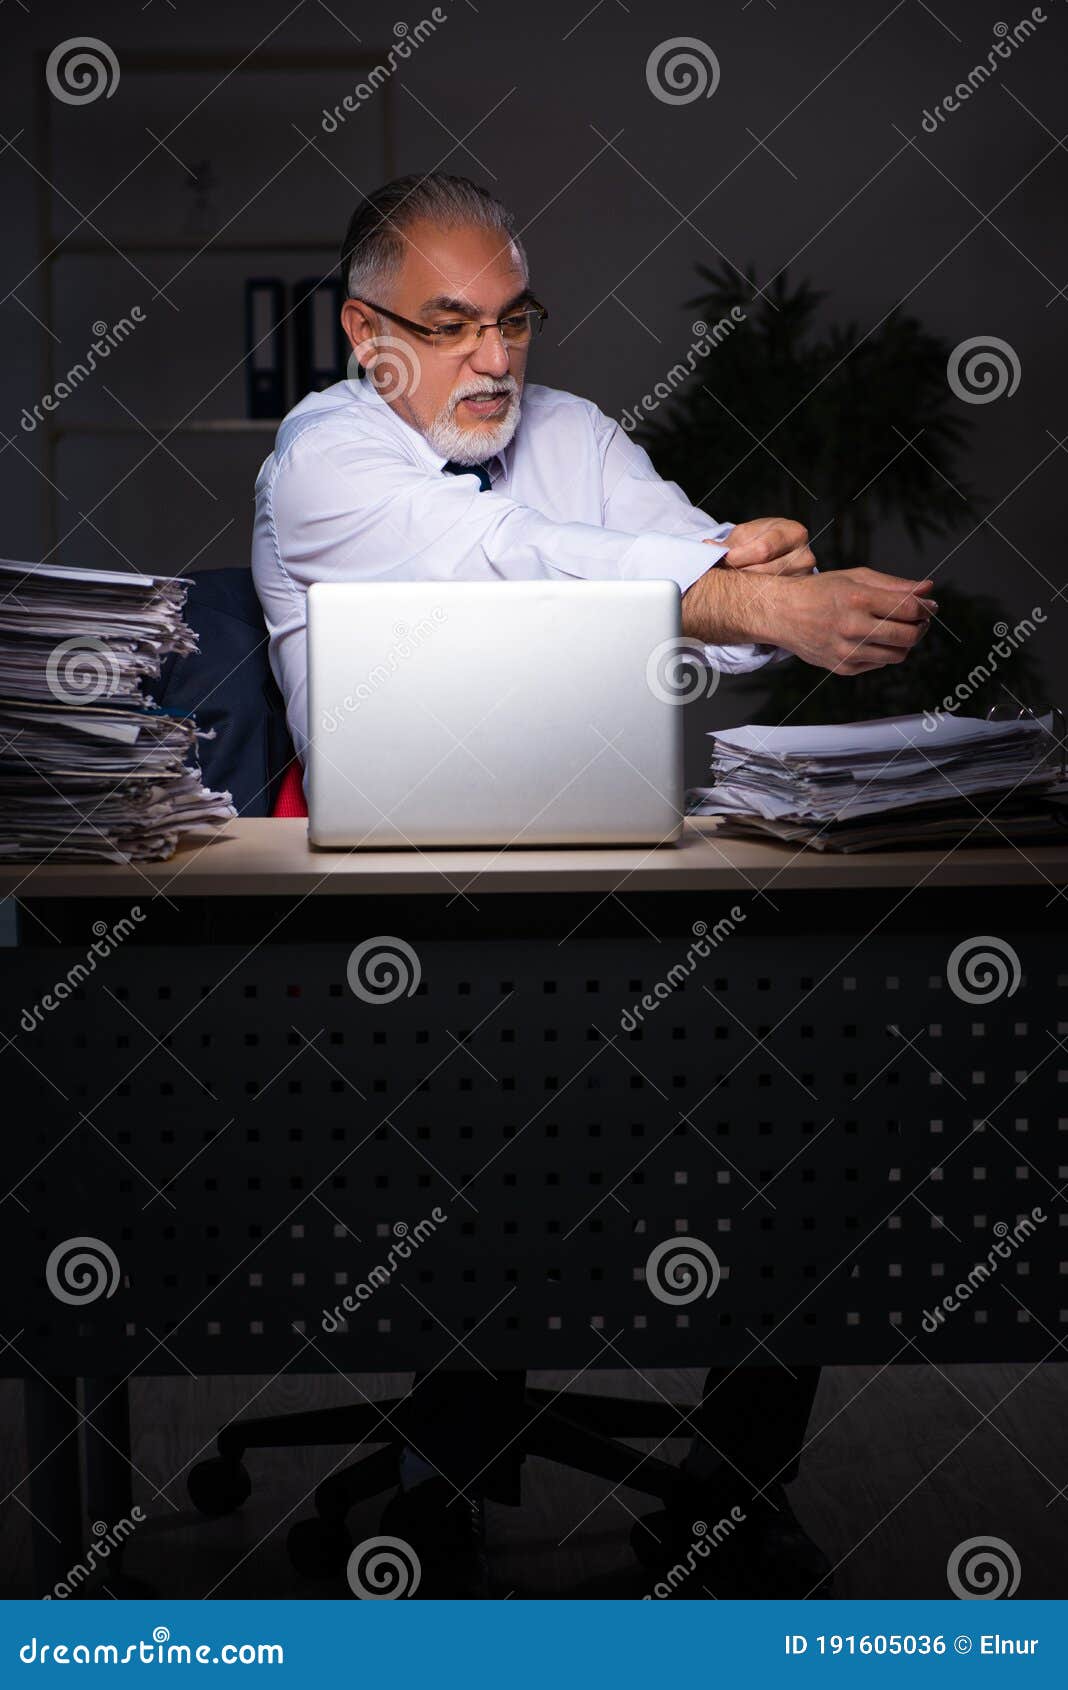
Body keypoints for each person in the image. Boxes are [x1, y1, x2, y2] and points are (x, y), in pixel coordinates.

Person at [251, 171, 935, 1598]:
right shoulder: (322, 457)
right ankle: (436, 1485)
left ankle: (730, 1497)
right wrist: (724, 587)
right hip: (395, 933)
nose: (494, 357)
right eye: (451, 325)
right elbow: (506, 562)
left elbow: (713, 620)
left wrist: (744, 572)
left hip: (623, 891)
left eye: (514, 320)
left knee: (820, 1079)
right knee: (494, 1094)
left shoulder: (571, 433)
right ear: (366, 333)